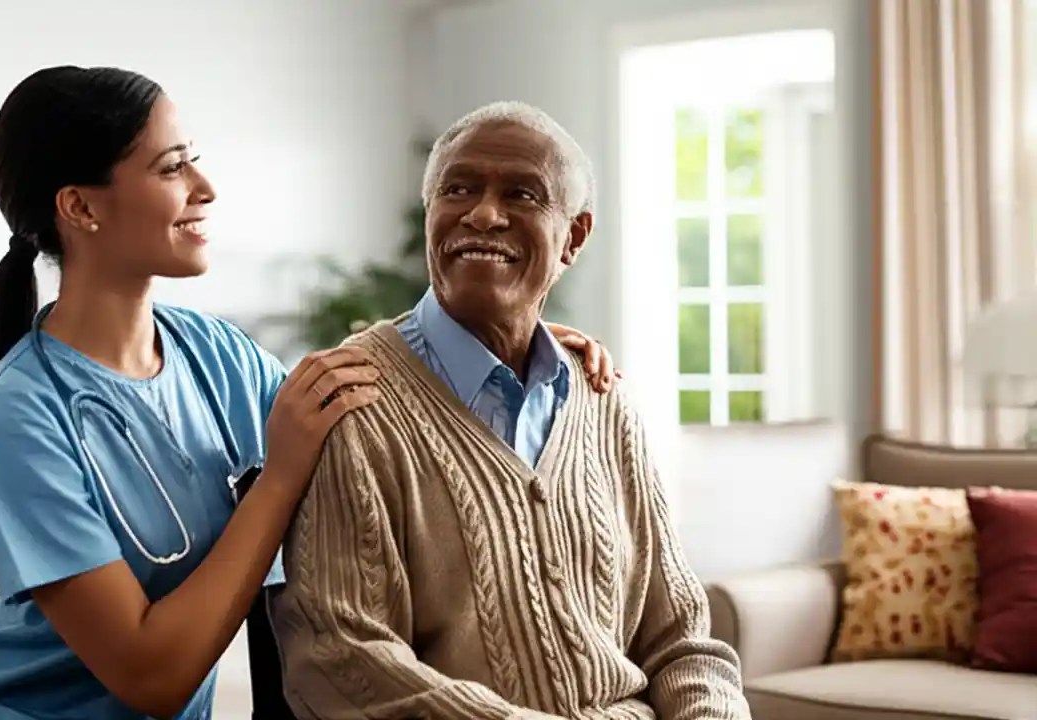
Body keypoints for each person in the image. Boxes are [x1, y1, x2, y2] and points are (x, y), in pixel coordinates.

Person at [0, 67, 619, 720]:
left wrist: (511, 335)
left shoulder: (215, 355)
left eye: (193, 158)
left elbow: (368, 406)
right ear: (80, 207)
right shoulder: (14, 420)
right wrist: (278, 479)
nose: (205, 186)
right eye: (171, 167)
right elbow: (151, 677)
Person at [270, 101, 752, 719]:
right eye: (458, 188)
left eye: (522, 194)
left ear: (573, 237)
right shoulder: (353, 405)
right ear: (431, 214)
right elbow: (344, 664)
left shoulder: (604, 401)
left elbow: (683, 640)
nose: (482, 214)